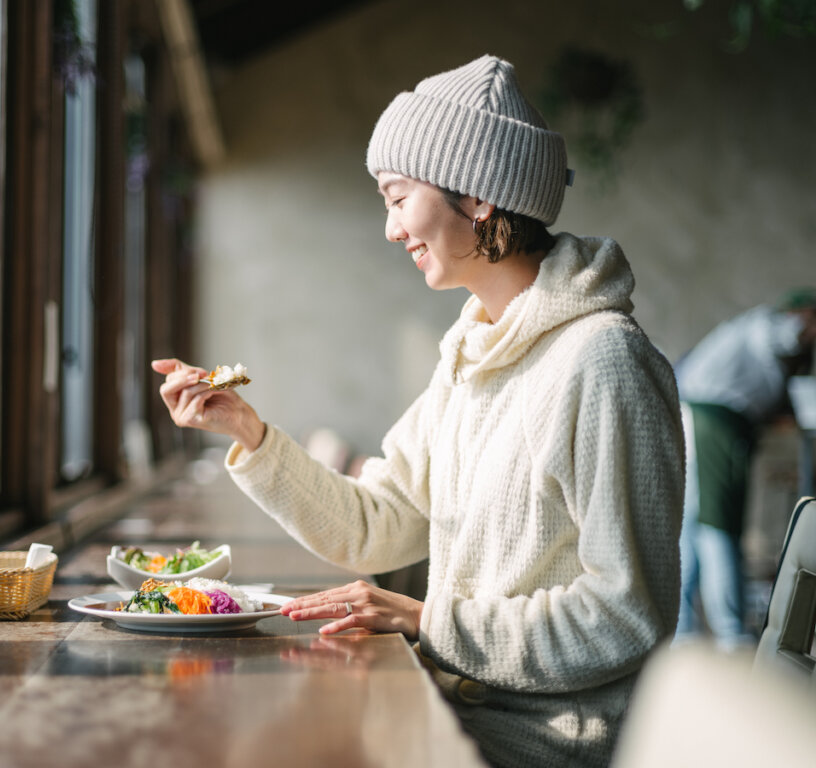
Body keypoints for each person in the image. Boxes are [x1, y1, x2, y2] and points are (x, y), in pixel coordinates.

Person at [152, 55, 684, 768]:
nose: (390, 228)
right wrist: (247, 432)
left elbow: (627, 616)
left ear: (480, 198)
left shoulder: (603, 363)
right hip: (456, 719)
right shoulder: (471, 353)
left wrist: (428, 621)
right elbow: (377, 527)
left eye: (398, 198)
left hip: (541, 748)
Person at [674, 289, 816, 651]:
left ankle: (682, 635)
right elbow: (791, 334)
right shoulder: (772, 323)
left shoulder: (745, 331)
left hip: (691, 414)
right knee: (719, 526)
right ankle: (732, 636)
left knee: (691, 528)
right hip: (716, 420)